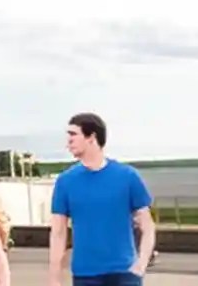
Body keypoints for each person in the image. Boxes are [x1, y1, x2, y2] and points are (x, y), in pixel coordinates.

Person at [48, 113, 155, 286]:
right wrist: (54, 278)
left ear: (92, 137)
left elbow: (147, 225)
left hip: (124, 273)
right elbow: (58, 233)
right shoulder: (65, 181)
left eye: (73, 135)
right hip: (85, 275)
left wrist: (141, 264)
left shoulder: (127, 176)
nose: (68, 141)